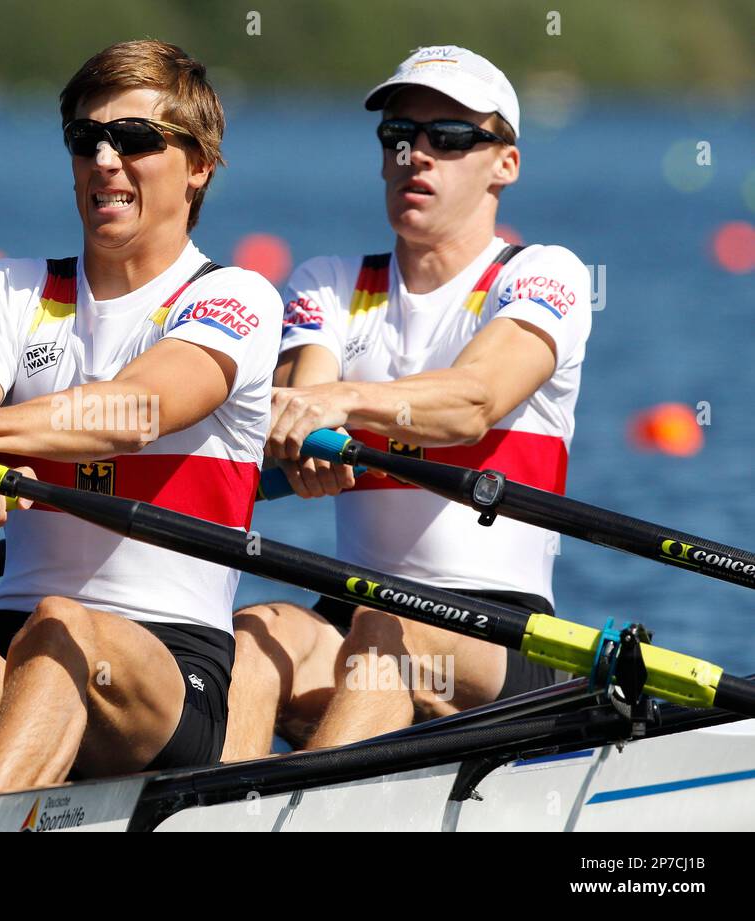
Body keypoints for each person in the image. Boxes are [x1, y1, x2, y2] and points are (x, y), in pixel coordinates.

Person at [0, 40, 283, 817]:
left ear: (199, 165)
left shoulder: (235, 297)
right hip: (18, 663)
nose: (106, 159)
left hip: (169, 682)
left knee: (63, 626)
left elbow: (137, 411)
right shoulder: (9, 290)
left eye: (136, 139)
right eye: (86, 139)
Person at [223, 45, 592, 760]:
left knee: (386, 633)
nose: (415, 155)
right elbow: (298, 405)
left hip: (502, 634)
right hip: (355, 606)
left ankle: (294, 807)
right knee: (253, 634)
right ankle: (211, 810)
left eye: (448, 138)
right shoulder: (329, 284)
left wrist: (340, 402)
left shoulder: (543, 276)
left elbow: (475, 401)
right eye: (399, 136)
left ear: (504, 163)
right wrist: (303, 423)